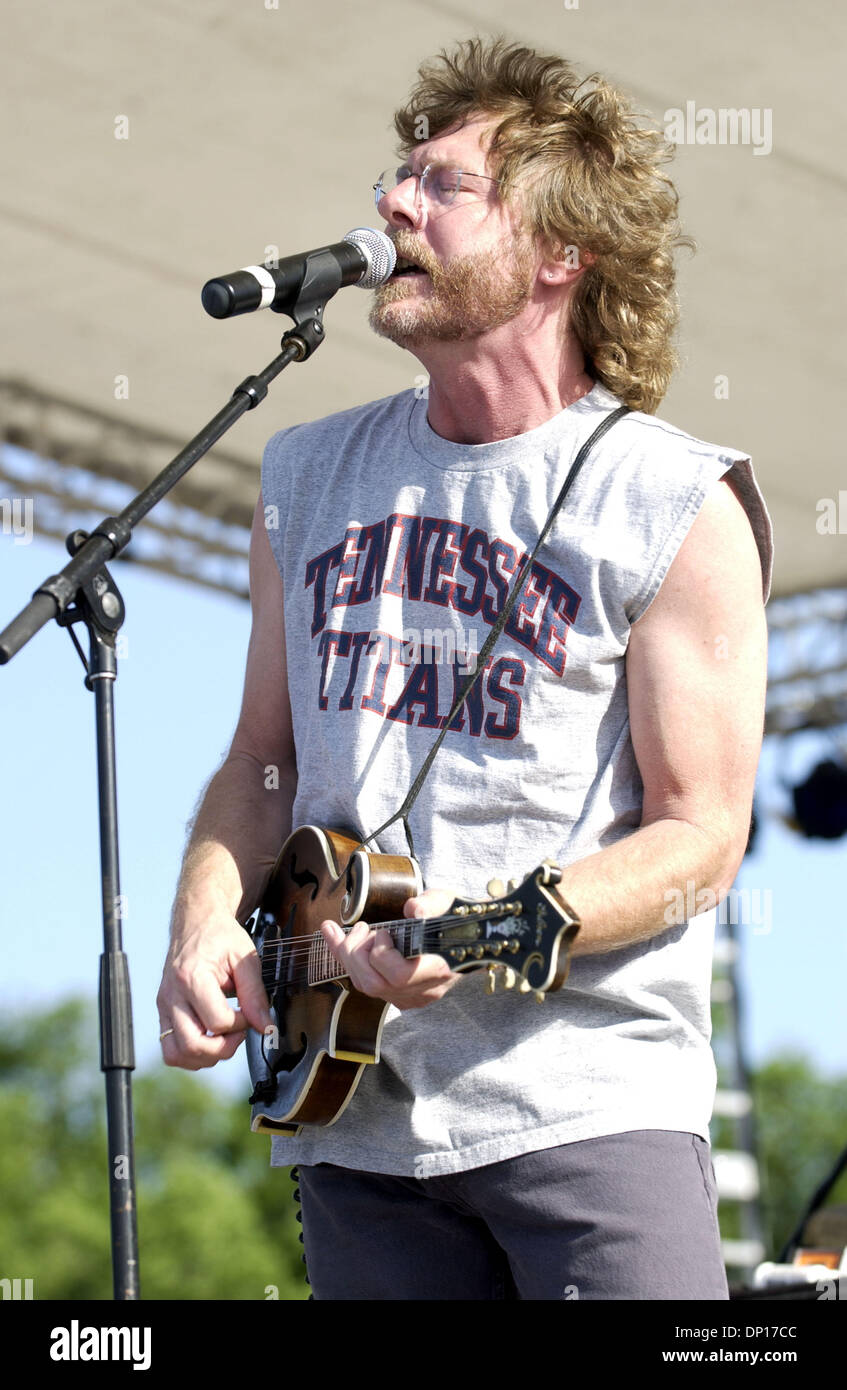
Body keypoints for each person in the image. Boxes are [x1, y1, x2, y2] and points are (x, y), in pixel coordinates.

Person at [157, 37, 772, 1300]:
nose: (390, 204)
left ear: (559, 252)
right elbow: (260, 761)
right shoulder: (303, 472)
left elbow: (703, 834)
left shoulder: (673, 500)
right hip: (352, 1118)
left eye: (443, 186)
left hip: (588, 1111)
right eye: (396, 175)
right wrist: (205, 916)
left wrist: (485, 938)